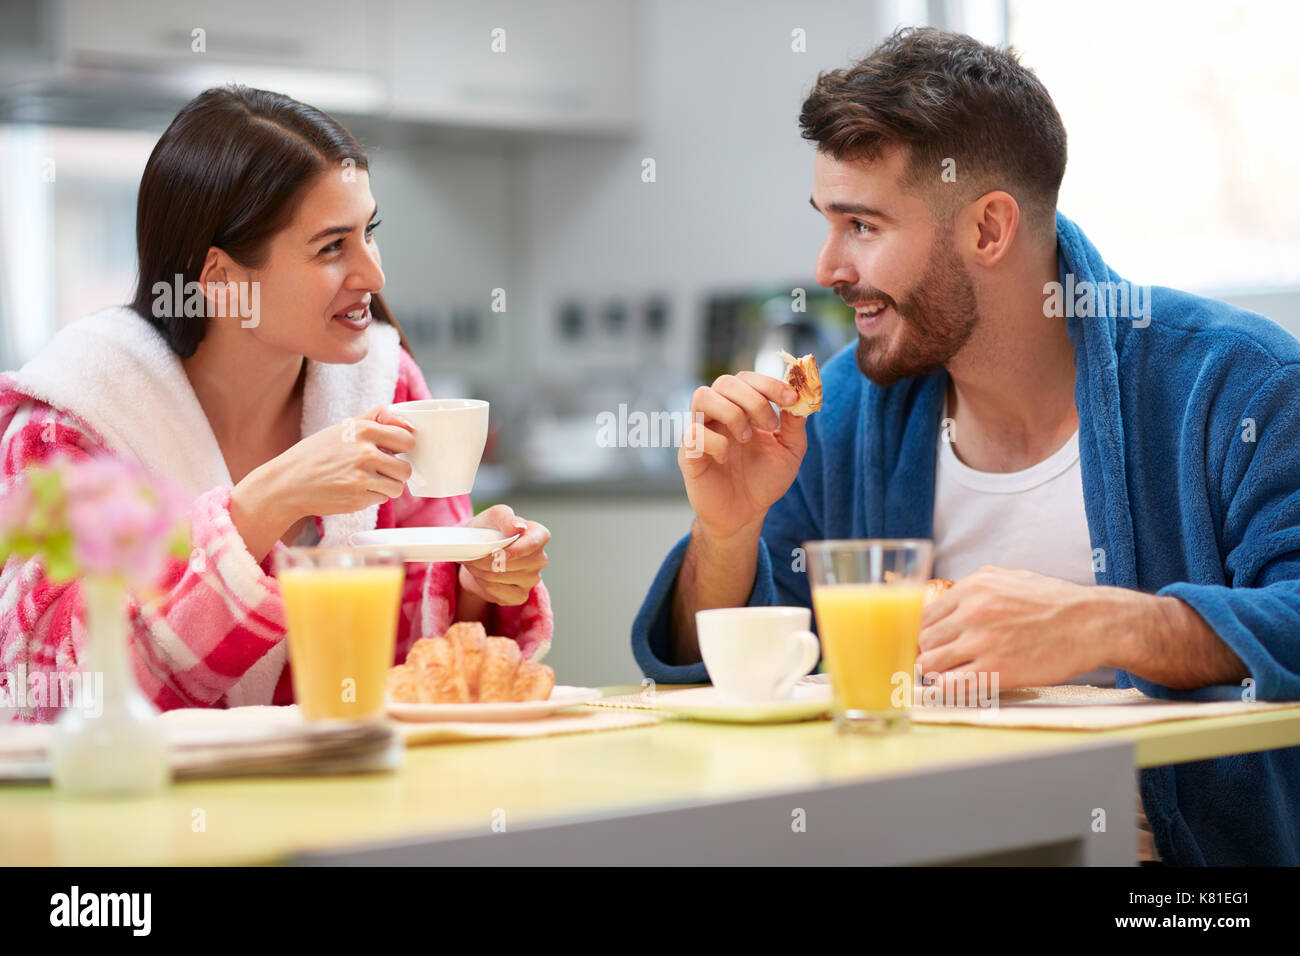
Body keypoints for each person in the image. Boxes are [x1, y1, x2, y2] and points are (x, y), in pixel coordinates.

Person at [631, 28, 1300, 867]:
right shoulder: (842, 413)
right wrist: (726, 533)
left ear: (988, 229)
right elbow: (721, 673)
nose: (828, 266)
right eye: (828, 224)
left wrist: (1112, 626)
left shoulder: (1236, 384)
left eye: (863, 226)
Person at [0, 86, 552, 722]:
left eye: (368, 233)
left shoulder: (384, 386)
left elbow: (412, 673)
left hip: (349, 798)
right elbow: (47, 691)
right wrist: (264, 504)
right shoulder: (74, 417)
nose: (373, 275)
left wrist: (478, 586)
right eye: (331, 247)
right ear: (223, 281)